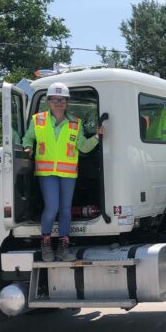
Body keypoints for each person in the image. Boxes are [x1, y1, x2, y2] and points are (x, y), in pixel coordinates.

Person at [22, 82, 103, 262]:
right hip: (46, 172)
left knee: (65, 210)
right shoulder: (38, 119)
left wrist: (97, 136)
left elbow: (82, 146)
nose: (58, 103)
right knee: (52, 208)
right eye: (54, 99)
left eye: (62, 100)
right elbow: (28, 137)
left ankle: (63, 248)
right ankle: (46, 244)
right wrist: (27, 147)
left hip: (68, 173)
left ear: (67, 102)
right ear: (48, 102)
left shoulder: (75, 123)